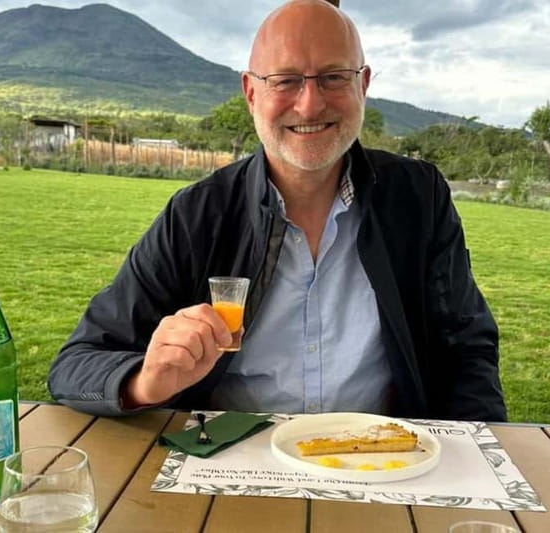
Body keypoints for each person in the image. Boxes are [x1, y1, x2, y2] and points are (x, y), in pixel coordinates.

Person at [48, 0, 507, 422]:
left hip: (379, 461)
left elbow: (466, 348)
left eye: (333, 77)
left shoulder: (417, 198)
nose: (310, 103)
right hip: (234, 465)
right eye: (285, 80)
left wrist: (482, 456)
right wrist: (144, 383)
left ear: (362, 85)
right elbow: (77, 363)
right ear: (251, 93)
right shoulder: (196, 215)